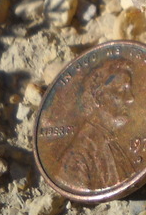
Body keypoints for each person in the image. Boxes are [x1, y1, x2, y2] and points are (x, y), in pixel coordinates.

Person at [58, 57, 139, 190]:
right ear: (99, 96)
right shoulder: (79, 157)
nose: (130, 98)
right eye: (121, 90)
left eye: (129, 89)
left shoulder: (109, 140)